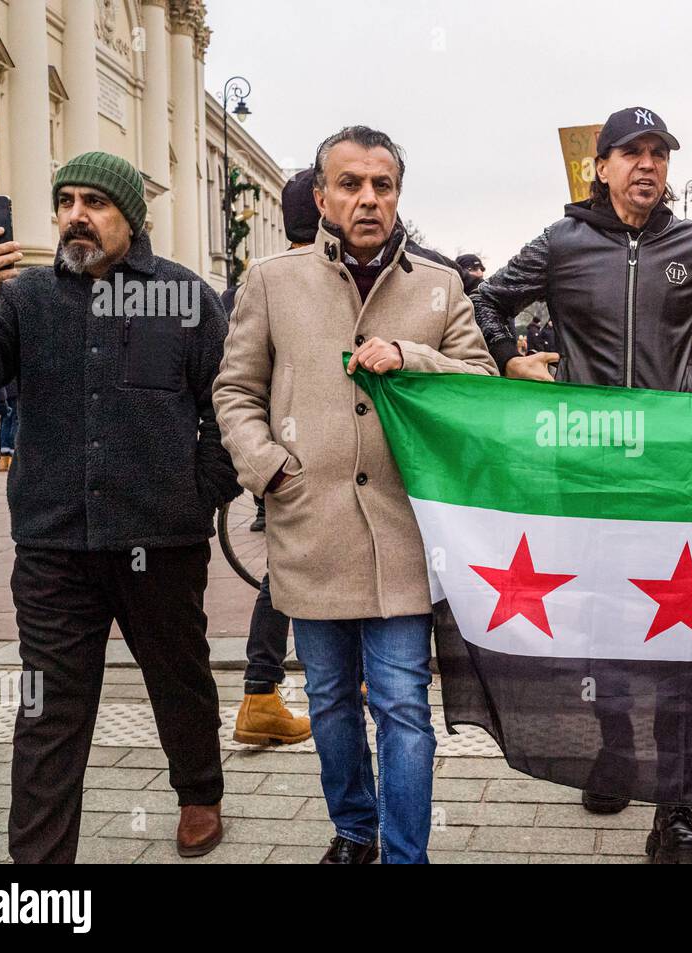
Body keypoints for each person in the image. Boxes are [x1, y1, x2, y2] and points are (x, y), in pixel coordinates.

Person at [0, 151, 242, 862]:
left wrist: (201, 491)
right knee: (47, 714)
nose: (78, 214)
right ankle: (40, 876)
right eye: (67, 200)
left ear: (130, 218)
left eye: (96, 202)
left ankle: (199, 789)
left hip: (160, 541)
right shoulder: (25, 297)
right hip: (55, 547)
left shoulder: (184, 296)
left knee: (180, 677)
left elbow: (225, 405)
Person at [214, 126, 497, 864]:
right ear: (322, 194)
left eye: (383, 185)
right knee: (334, 700)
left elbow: (483, 387)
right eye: (350, 184)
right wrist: (269, 466)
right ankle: (353, 830)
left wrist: (413, 357)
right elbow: (236, 390)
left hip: (405, 532)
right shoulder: (273, 280)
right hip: (310, 528)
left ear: (398, 193)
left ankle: (407, 854)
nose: (368, 198)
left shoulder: (440, 286)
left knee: (403, 703)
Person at [472, 105, 692, 862]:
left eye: (659, 153)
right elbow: (486, 300)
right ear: (603, 166)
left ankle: (678, 809)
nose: (648, 165)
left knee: (678, 635)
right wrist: (509, 359)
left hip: (672, 475)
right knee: (604, 629)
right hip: (586, 472)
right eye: (633, 153)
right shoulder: (562, 242)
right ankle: (616, 748)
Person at [220, 167, 320, 748]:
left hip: (282, 457)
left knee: (286, 569)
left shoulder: (256, 279)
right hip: (304, 459)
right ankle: (261, 690)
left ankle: (261, 693)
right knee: (289, 570)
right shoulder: (294, 280)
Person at [0, 381, 17, 472]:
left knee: (5, 421)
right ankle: (12, 457)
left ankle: (3, 458)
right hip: (16, 389)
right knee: (16, 421)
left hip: (4, 390)